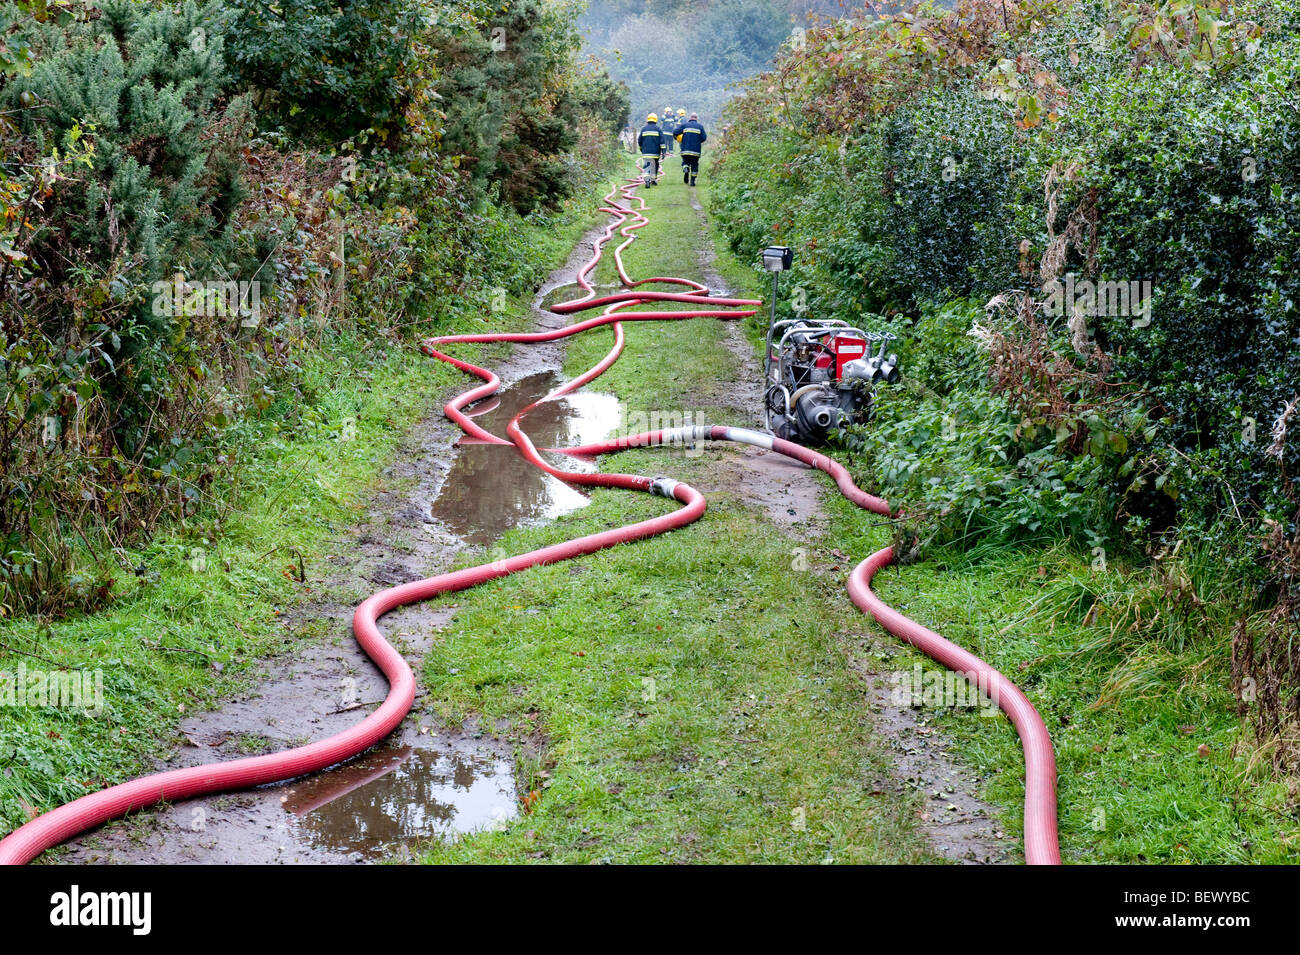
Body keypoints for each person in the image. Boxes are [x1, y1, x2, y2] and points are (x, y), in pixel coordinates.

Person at [675, 112, 708, 186]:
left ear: (690, 118)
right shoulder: (700, 127)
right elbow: (704, 138)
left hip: (685, 150)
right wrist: (698, 141)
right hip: (695, 151)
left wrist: (677, 138)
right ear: (697, 118)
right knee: (694, 165)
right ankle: (692, 181)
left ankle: (686, 169)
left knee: (685, 161)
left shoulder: (685, 125)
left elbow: (675, 132)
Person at [637, 113, 663, 185]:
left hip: (646, 152)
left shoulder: (644, 129)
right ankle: (653, 180)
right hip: (655, 153)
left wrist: (641, 148)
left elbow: (639, 141)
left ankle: (647, 181)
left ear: (648, 120)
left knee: (647, 166)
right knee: (655, 165)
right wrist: (663, 152)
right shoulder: (658, 129)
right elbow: (662, 141)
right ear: (656, 120)